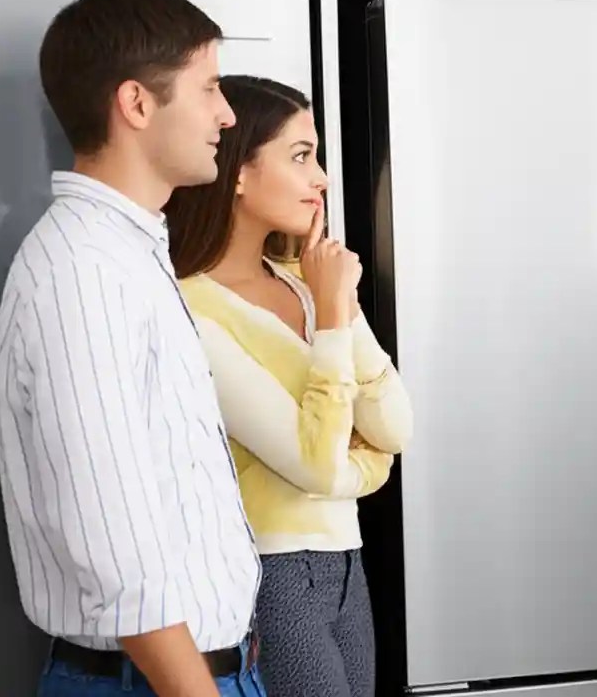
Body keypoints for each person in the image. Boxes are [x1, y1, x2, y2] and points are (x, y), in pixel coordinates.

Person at [0, 0, 265, 697]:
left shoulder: (124, 255)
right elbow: (117, 557)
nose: (227, 114)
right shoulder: (84, 273)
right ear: (137, 103)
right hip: (152, 684)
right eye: (209, 88)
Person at [162, 75, 413, 697]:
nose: (321, 178)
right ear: (238, 172)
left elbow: (395, 428)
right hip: (270, 572)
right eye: (301, 156)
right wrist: (333, 317)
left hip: (348, 563)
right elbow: (317, 464)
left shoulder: (307, 281)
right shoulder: (190, 308)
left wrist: (335, 304)